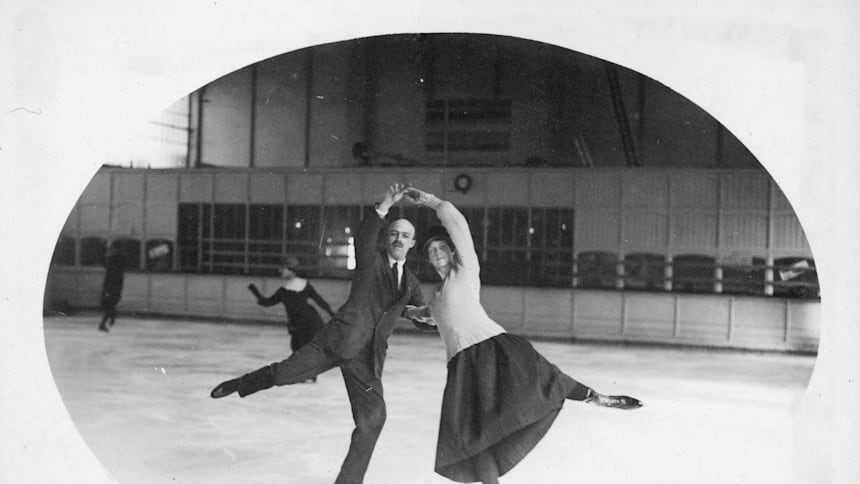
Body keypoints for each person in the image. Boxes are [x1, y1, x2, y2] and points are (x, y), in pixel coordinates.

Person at [405, 187, 642, 484]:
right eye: (431, 251)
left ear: (453, 251)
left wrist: (429, 201)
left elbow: (458, 224)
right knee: (473, 436)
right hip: (462, 367)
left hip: (492, 349)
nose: (437, 253)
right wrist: (408, 311)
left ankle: (595, 397)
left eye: (441, 248)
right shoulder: (437, 296)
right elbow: (429, 315)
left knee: (545, 380)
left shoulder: (466, 271)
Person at [210, 183, 435, 484]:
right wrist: (383, 206)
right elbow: (364, 236)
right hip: (337, 340)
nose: (398, 239)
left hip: (367, 357)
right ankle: (242, 383)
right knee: (283, 374)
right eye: (394, 233)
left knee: (372, 420)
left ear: (412, 243)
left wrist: (430, 317)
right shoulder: (371, 260)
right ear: (387, 237)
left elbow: (420, 317)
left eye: (405, 236)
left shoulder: (410, 283)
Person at [248, 256, 335, 361]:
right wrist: (256, 292)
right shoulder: (288, 289)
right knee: (299, 351)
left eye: (282, 268)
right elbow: (267, 302)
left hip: (307, 325)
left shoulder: (288, 289)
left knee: (301, 353)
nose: (280, 270)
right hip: (303, 325)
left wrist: (333, 315)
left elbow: (320, 301)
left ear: (291, 270)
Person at [98, 244, 124, 332]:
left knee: (108, 305)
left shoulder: (111, 261)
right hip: (115, 286)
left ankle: (109, 319)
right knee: (110, 304)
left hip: (110, 286)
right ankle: (110, 318)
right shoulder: (118, 261)